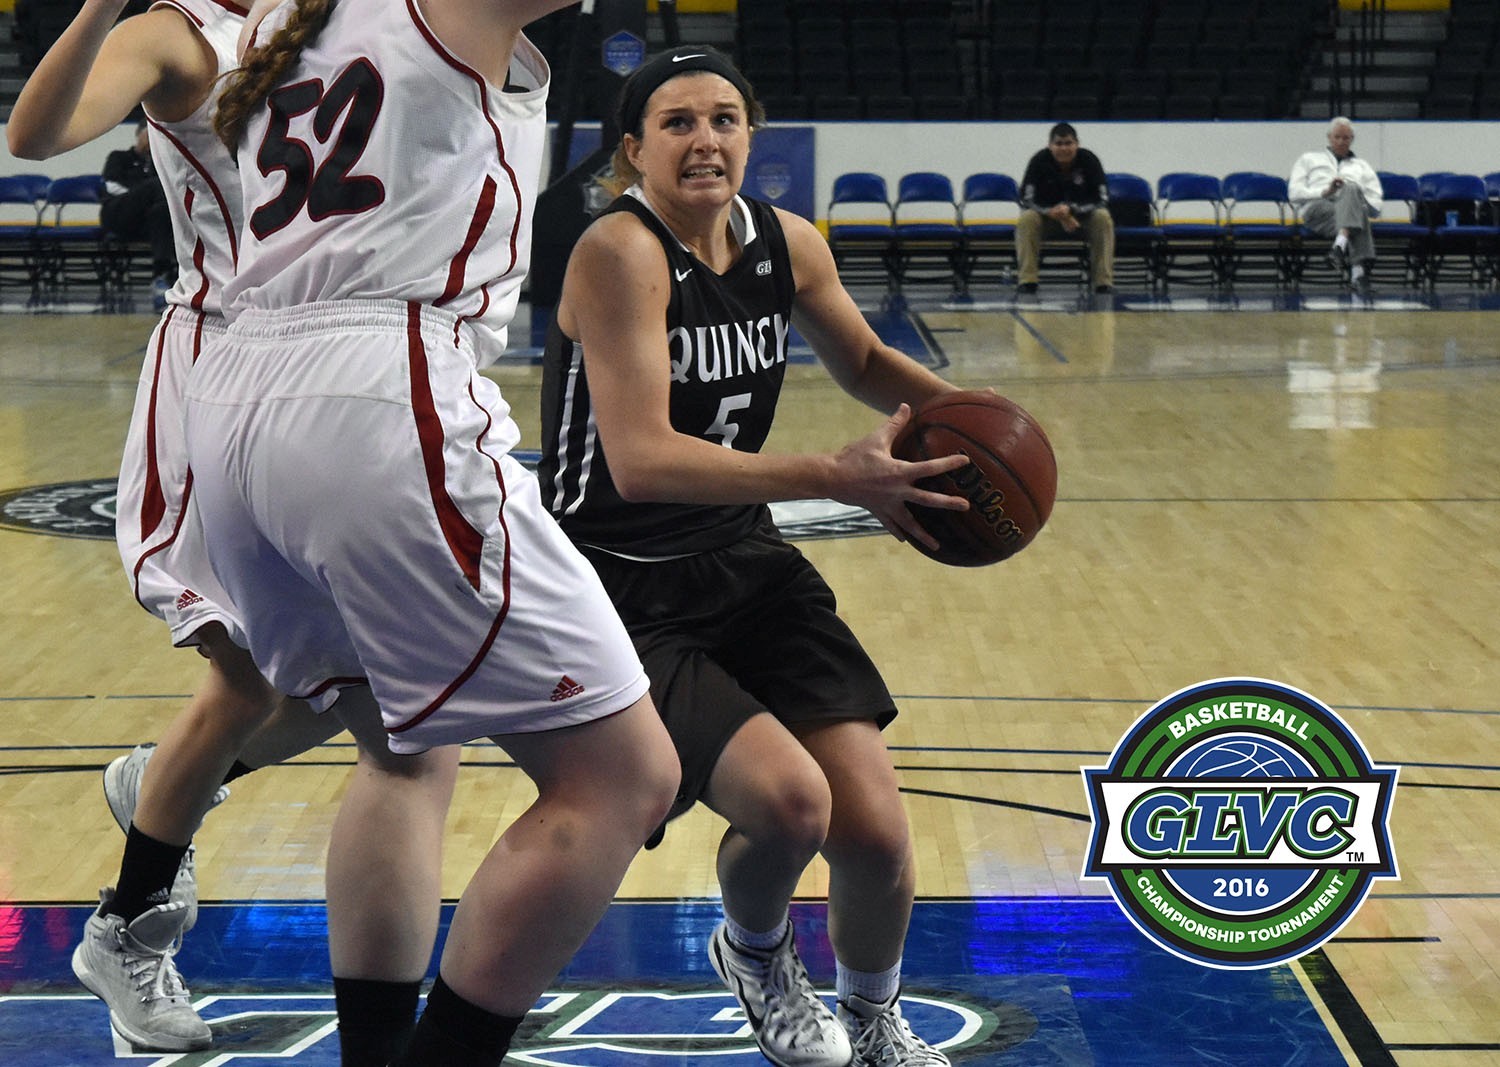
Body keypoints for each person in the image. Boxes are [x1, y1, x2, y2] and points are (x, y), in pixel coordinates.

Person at [196, 1, 681, 1065]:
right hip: (378, 390)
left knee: (401, 745)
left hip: (235, 400)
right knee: (623, 775)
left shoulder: (288, 25)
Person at [8, 2, 462, 1062]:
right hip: (222, 370)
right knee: (251, 684)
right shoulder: (181, 33)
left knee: (377, 688)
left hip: (349, 372)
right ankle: (125, 930)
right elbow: (34, 136)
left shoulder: (356, 24)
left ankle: (171, 779)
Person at [537, 45, 972, 1067]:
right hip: (619, 576)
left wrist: (977, 427)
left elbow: (863, 361)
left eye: (725, 118)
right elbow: (639, 461)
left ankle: (873, 1018)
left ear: (751, 135)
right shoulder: (618, 250)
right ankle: (760, 953)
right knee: (790, 805)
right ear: (631, 150)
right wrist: (833, 472)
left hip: (743, 554)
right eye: (678, 122)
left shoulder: (788, 243)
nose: (706, 140)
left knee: (874, 833)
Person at [1015, 121, 1114, 295]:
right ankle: (1028, 280)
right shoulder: (1038, 161)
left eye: (1068, 143)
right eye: (1058, 144)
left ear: (1077, 144)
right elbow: (1026, 198)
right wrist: (1052, 212)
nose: (1063, 149)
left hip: (1082, 218)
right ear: (1050, 146)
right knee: (1027, 218)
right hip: (1048, 218)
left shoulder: (1089, 160)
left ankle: (1103, 282)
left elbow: (1102, 199)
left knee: (1102, 216)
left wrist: (1072, 210)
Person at [1289, 115, 1383, 296]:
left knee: (1352, 190)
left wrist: (1356, 198)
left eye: (1346, 138)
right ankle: (1358, 275)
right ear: (1329, 138)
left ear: (1352, 139)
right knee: (1358, 215)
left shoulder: (1362, 166)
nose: (1341, 141)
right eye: (1337, 137)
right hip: (1317, 209)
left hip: (1348, 212)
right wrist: (1326, 192)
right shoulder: (1308, 159)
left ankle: (1339, 246)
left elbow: (1376, 202)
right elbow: (1294, 193)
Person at [100, 117, 176, 303]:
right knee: (156, 186)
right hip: (118, 213)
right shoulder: (119, 157)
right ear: (139, 134)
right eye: (150, 135)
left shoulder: (157, 164)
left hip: (144, 220)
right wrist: (141, 192)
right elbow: (112, 186)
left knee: (161, 210)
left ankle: (162, 274)